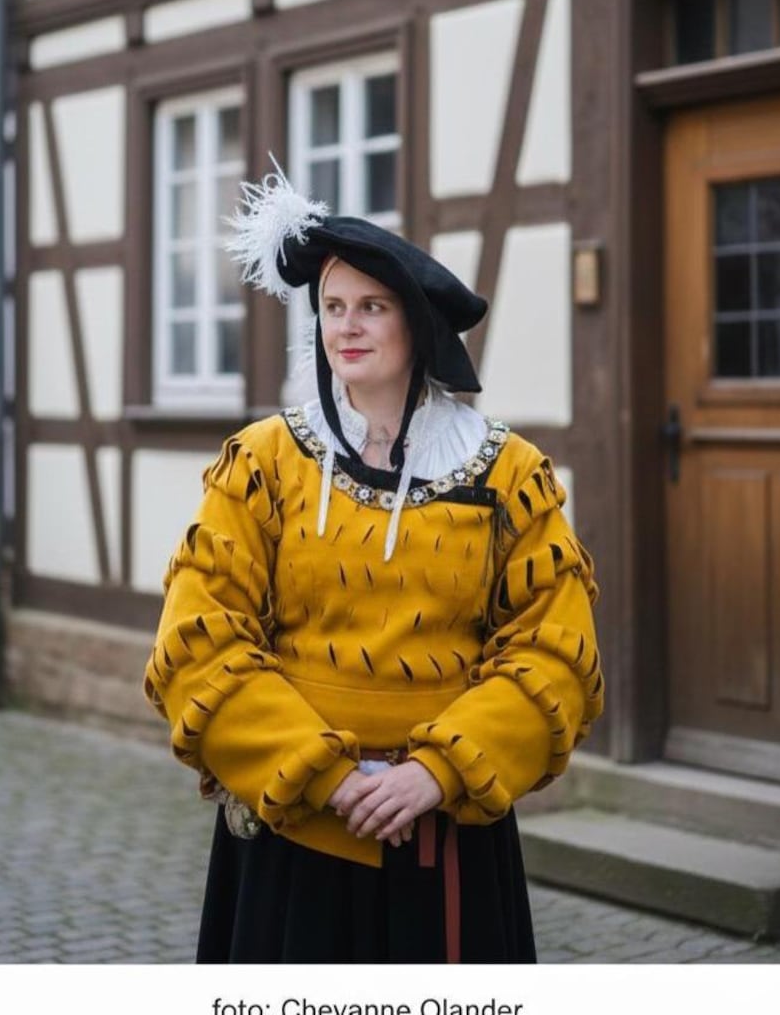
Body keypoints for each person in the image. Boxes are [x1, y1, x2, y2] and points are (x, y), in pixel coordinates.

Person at [142, 162, 604, 964]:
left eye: (371, 307)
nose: (345, 326)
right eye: (331, 307)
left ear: (417, 326)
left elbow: (556, 653)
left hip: (448, 834)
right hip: (294, 829)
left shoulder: (509, 474)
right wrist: (323, 772)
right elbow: (197, 643)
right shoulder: (260, 464)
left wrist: (438, 769)